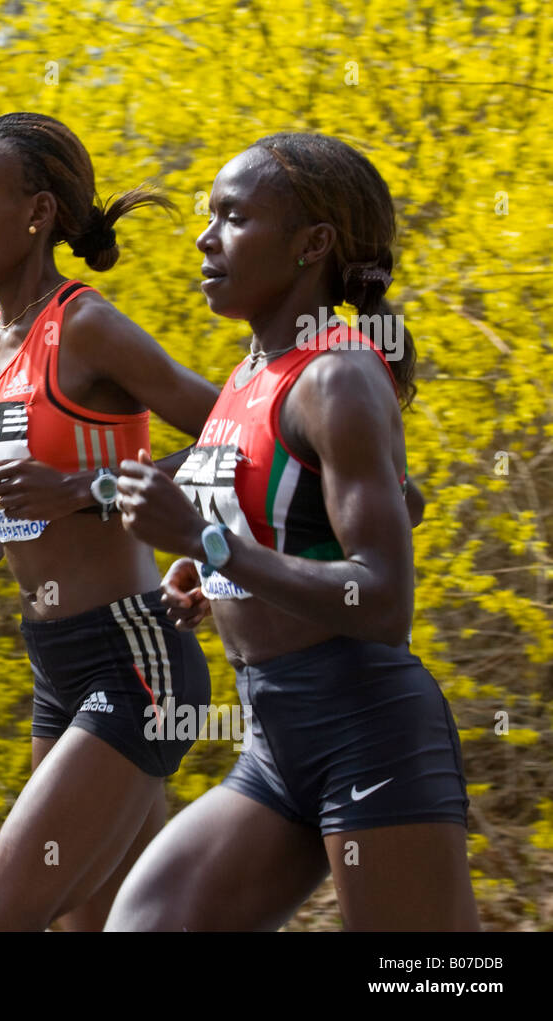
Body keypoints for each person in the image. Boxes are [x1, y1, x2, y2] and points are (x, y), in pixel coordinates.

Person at [104, 132, 478, 931]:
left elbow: (384, 599)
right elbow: (371, 507)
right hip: (275, 744)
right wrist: (217, 576)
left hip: (368, 732)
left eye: (234, 217)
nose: (205, 238)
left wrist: (209, 543)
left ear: (312, 244)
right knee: (147, 922)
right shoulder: (250, 373)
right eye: (209, 215)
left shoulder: (337, 376)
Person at [0, 112, 221, 931]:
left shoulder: (86, 327)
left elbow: (239, 434)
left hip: (135, 659)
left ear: (38, 213)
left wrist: (85, 488)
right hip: (55, 669)